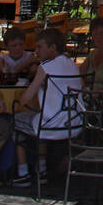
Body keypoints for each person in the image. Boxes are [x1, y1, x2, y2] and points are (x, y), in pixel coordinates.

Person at [12, 28, 83, 189]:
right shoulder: (72, 64)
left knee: (17, 120)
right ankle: (41, 168)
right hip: (74, 122)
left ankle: (23, 172)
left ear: (52, 47)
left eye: (40, 47)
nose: (36, 51)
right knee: (42, 116)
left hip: (53, 125)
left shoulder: (45, 67)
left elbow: (24, 99)